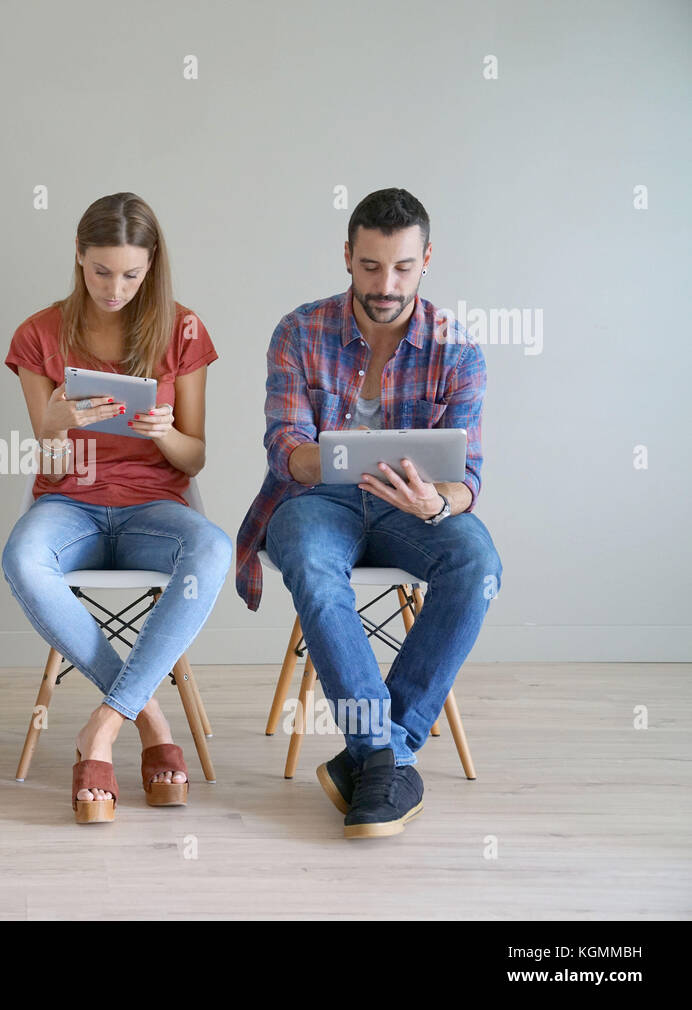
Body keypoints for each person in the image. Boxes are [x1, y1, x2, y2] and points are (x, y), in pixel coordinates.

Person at [235, 187, 503, 838]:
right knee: (310, 563)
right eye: (371, 266)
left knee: (477, 560)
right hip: (316, 501)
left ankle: (381, 751)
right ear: (348, 257)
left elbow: (468, 477)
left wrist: (438, 502)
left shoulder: (458, 349)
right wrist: (326, 460)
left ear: (427, 260)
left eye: (403, 268)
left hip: (410, 507)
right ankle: (387, 754)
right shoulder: (300, 331)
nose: (386, 284)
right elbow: (283, 449)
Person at [0, 192, 231, 825]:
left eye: (131, 274)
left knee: (212, 546)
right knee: (21, 556)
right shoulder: (39, 333)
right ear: (78, 257)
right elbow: (47, 457)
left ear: (152, 265)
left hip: (154, 506)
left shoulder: (183, 330)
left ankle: (100, 729)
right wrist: (51, 421)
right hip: (69, 502)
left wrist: (161, 433)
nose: (114, 287)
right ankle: (147, 715)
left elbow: (194, 459)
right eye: (101, 271)